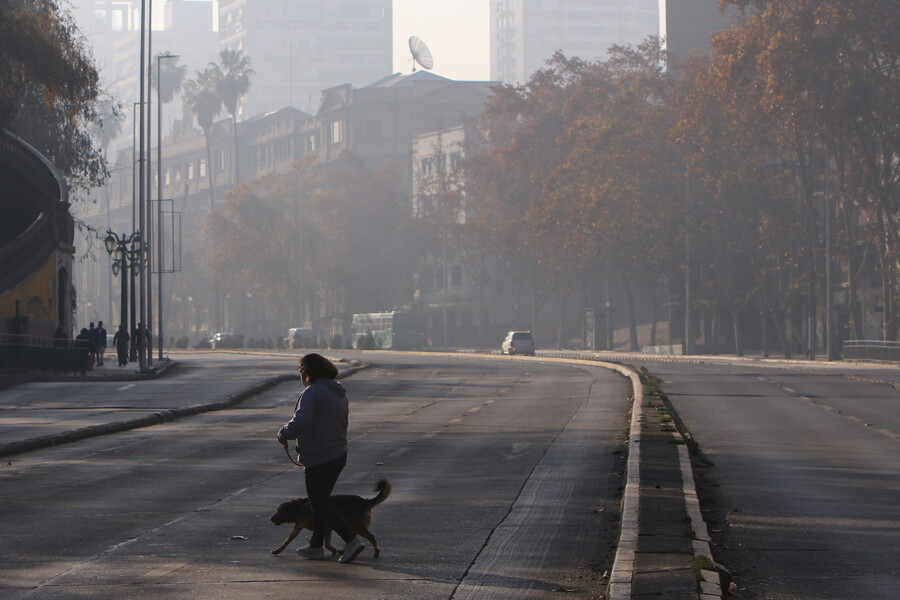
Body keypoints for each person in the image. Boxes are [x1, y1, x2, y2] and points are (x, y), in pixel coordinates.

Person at [276, 353, 365, 564]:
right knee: (320, 502)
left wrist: (283, 433)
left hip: (319, 455)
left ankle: (351, 540)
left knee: (320, 503)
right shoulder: (338, 392)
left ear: (309, 372)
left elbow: (302, 420)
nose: (301, 375)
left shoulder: (312, 393)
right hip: (338, 453)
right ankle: (316, 546)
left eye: (302, 371)